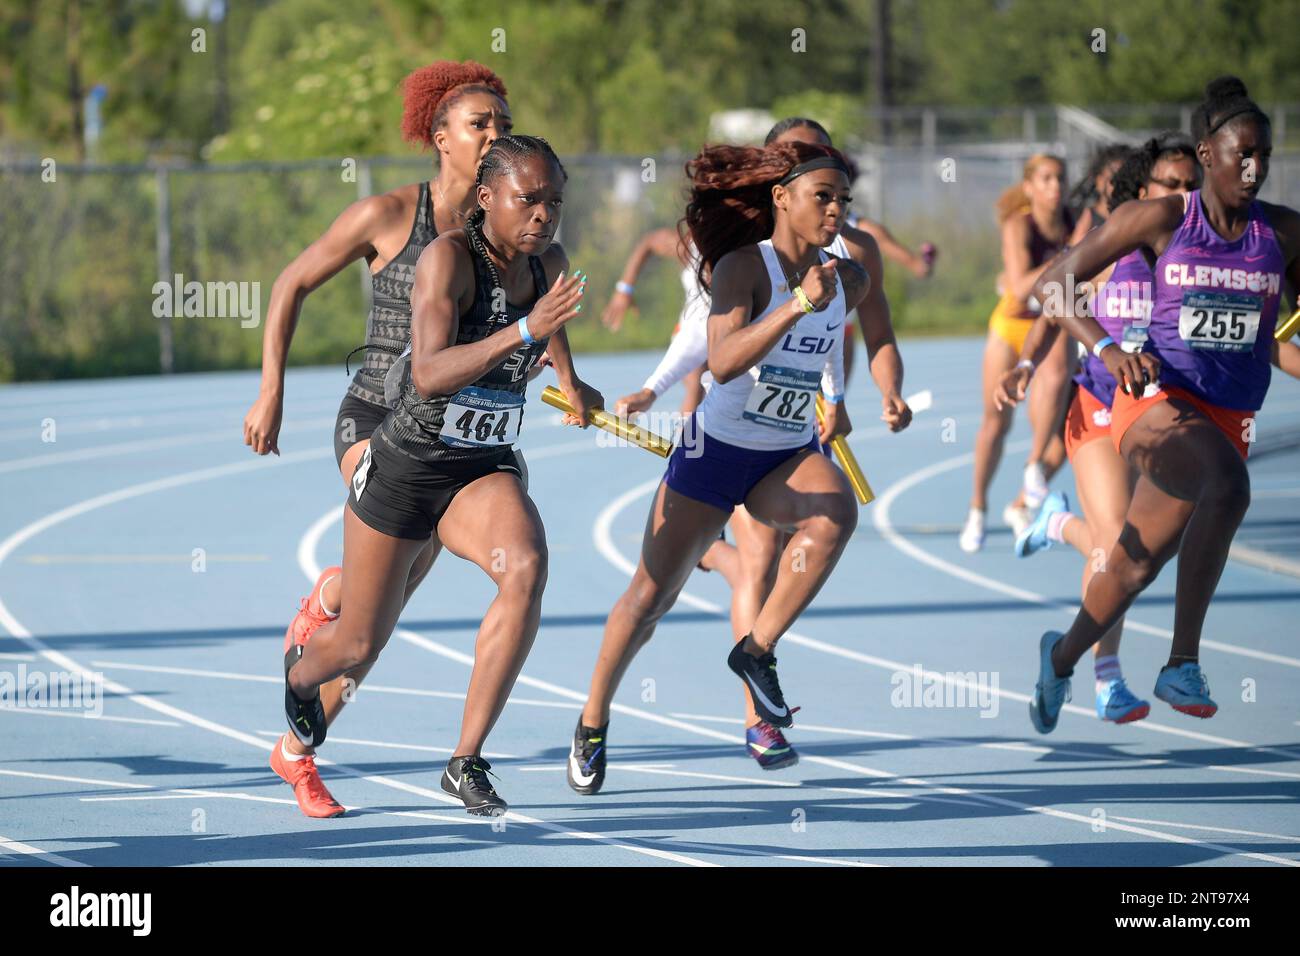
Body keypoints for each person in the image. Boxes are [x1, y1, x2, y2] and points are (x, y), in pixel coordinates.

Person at [282, 135, 602, 815]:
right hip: (410, 462)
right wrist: (521, 335)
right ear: (486, 199)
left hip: (480, 466)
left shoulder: (550, 264)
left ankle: (465, 760)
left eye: (555, 201)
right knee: (361, 639)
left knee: (525, 568)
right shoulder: (448, 259)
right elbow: (426, 374)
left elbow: (551, 323)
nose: (544, 215)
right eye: (529, 200)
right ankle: (303, 676)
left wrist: (572, 381)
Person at [567, 141, 890, 795]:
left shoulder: (848, 275)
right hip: (713, 453)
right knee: (649, 599)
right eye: (823, 196)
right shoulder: (746, 268)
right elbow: (721, 361)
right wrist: (795, 302)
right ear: (782, 198)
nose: (836, 210)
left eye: (844, 200)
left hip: (786, 452)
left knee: (836, 515)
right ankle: (594, 718)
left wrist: (836, 398)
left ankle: (756, 649)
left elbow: (828, 343)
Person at [242, 60, 513, 817]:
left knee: (375, 624)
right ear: (440, 139)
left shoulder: (502, 235)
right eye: (480, 123)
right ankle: (330, 605)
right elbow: (291, 282)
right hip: (375, 423)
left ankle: (296, 748)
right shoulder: (391, 215)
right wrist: (272, 389)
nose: (496, 134)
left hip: (455, 438)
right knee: (389, 588)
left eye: (504, 123)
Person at [1027, 78, 1300, 733]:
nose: (1254, 168)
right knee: (1229, 487)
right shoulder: (1163, 219)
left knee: (1132, 566)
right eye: (1241, 154)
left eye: (1264, 154)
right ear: (1207, 155)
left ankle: (1059, 659)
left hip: (1227, 417)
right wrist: (1110, 351)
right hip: (1153, 401)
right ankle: (1182, 661)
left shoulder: (1284, 234)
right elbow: (1052, 284)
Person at [996, 133, 1202, 724]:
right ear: (1143, 194)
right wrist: (1029, 365)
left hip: (1161, 412)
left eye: (1194, 187)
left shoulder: (1193, 261)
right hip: (1100, 407)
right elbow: (1053, 299)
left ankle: (1055, 522)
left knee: (1140, 552)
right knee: (1118, 546)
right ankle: (1108, 677)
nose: (1187, 197)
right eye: (1173, 187)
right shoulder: (1112, 249)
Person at [960, 154, 1074, 553]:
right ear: (1029, 186)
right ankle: (977, 507)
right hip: (1011, 325)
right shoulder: (1019, 225)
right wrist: (1068, 260)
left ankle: (1032, 467)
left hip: (1056, 319)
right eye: (1045, 179)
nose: (1054, 186)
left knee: (1059, 375)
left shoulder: (1078, 221)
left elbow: (1087, 275)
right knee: (995, 421)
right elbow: (1021, 286)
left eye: (1060, 178)